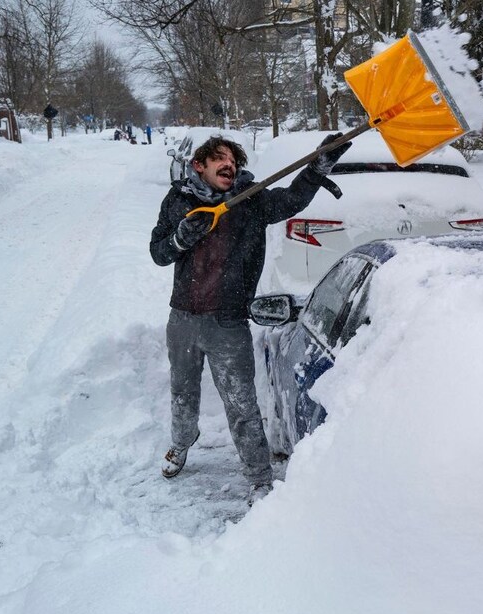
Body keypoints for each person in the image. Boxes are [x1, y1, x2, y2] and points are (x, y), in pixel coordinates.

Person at [149, 133, 351, 506]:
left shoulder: (249, 201)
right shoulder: (179, 201)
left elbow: (291, 200)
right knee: (183, 392)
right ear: (199, 165)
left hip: (227, 323)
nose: (229, 166)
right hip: (183, 318)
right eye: (220, 159)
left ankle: (259, 478)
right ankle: (181, 442)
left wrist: (319, 166)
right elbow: (158, 252)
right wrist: (180, 238)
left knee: (242, 405)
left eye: (234, 161)